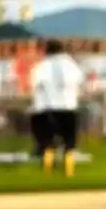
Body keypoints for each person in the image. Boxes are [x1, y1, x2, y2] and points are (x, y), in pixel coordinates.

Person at [29, 39, 85, 177]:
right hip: (68, 106)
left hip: (48, 107)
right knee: (69, 141)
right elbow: (80, 80)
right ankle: (69, 170)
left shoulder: (41, 66)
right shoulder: (71, 64)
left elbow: (34, 83)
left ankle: (48, 171)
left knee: (48, 141)